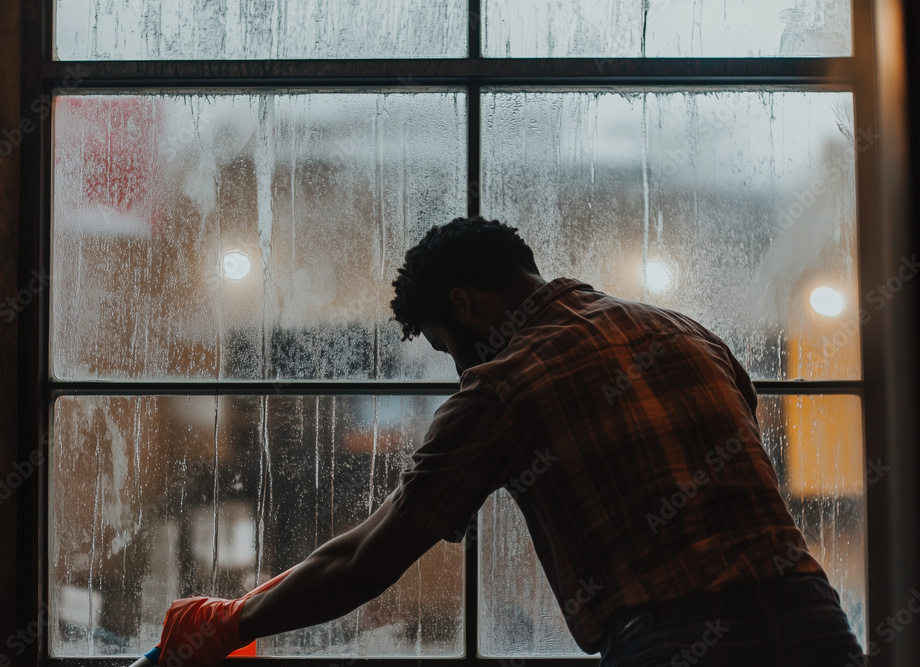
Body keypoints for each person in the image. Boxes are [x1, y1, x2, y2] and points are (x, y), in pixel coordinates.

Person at [156, 216, 864, 667]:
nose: (457, 369)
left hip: (675, 641)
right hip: (816, 620)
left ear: (464, 305)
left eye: (446, 346)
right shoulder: (688, 333)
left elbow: (366, 560)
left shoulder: (502, 387)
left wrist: (229, 622)